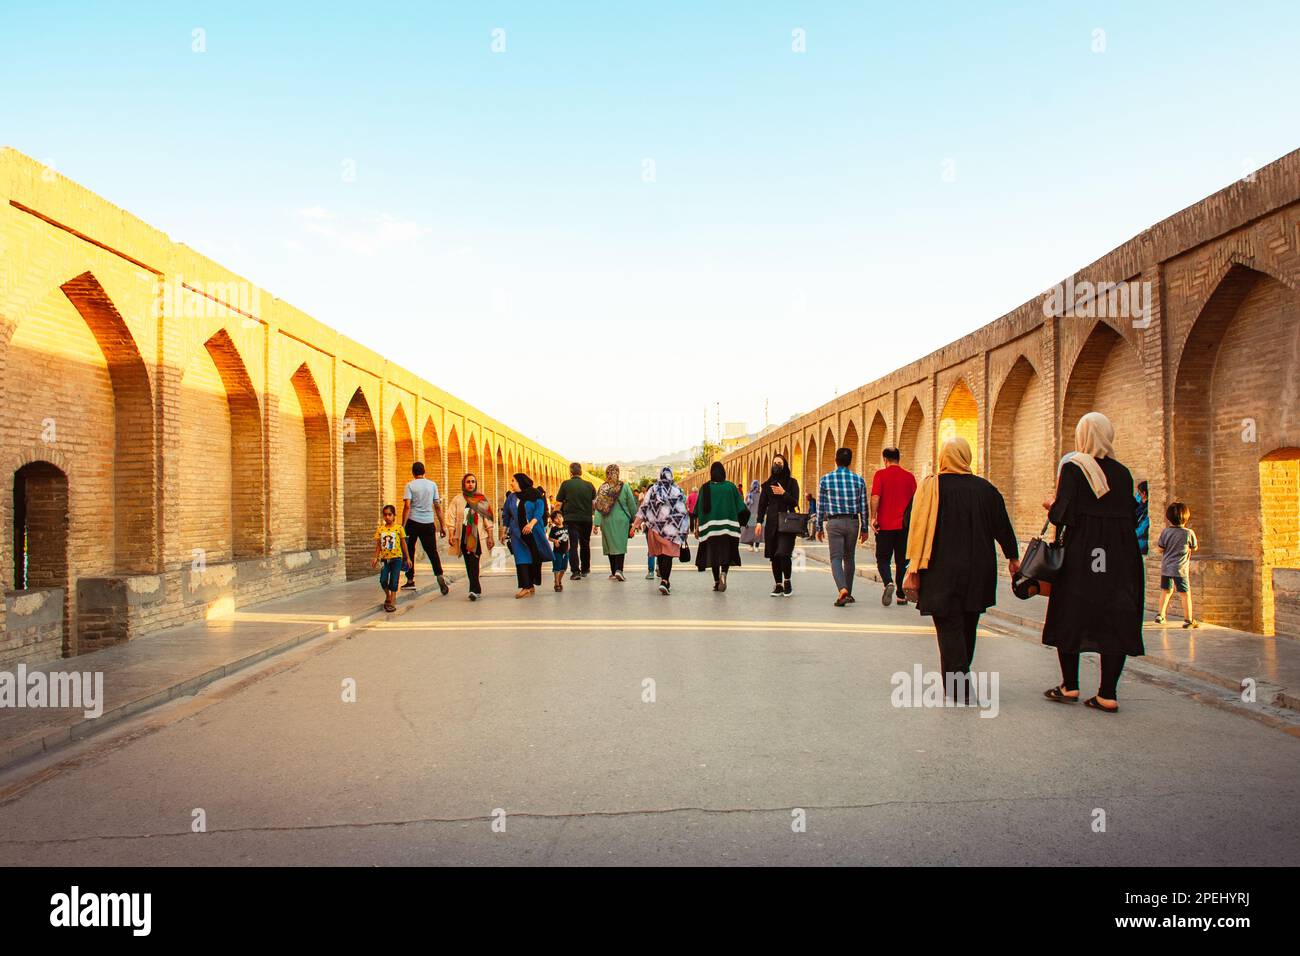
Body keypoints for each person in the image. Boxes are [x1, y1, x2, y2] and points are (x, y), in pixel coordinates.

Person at [1040, 412, 1146, 713]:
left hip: (1083, 553)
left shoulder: (1075, 468)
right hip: (1120, 556)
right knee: (1114, 617)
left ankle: (1070, 686)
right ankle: (1107, 694)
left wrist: (1052, 505)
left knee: (1070, 613)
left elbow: (1062, 514)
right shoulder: (1123, 473)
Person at [903, 437, 1019, 702]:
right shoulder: (986, 490)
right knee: (968, 623)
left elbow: (910, 522)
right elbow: (1002, 527)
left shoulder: (929, 489)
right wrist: (1013, 557)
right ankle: (961, 678)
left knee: (949, 627)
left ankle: (958, 687)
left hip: (940, 570)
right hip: (979, 569)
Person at [815, 447, 870, 607]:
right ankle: (848, 593)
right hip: (853, 522)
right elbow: (864, 506)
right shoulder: (859, 480)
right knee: (849, 557)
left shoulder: (826, 480)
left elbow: (821, 506)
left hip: (834, 522)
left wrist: (818, 526)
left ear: (835, 460)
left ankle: (842, 589)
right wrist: (865, 528)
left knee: (836, 558)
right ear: (850, 461)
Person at [871, 447, 917, 607]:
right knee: (902, 560)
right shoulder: (909, 477)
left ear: (885, 460)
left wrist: (873, 518)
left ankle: (888, 582)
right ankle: (900, 594)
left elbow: (876, 497)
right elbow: (915, 503)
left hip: (885, 525)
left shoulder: (880, 475)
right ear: (899, 458)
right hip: (904, 527)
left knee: (883, 559)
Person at [633, 467, 690, 595]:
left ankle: (664, 581)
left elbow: (644, 507)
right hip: (671, 530)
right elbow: (683, 512)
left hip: (656, 530)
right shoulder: (677, 491)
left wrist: (635, 524)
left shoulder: (653, 490)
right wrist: (684, 531)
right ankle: (665, 580)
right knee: (667, 556)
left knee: (660, 555)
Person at [693, 462, 746, 591]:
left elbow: (698, 510)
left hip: (711, 529)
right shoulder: (730, 487)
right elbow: (741, 506)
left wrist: (697, 527)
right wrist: (742, 522)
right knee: (726, 552)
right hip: (728, 528)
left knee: (714, 554)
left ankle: (717, 581)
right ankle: (724, 574)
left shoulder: (705, 488)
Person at [754, 454, 801, 597]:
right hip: (772, 524)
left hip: (787, 523)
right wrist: (759, 522)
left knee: (784, 553)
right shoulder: (767, 485)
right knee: (774, 555)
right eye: (774, 463)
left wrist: (783, 493)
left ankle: (787, 581)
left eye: (779, 463)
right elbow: (762, 505)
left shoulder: (792, 483)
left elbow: (794, 502)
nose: (776, 465)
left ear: (784, 465)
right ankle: (778, 585)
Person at [401, 461, 449, 595]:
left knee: (409, 550)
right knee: (432, 551)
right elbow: (438, 507)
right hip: (428, 522)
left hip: (413, 521)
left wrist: (403, 525)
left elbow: (407, 506)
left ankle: (410, 579)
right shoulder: (432, 485)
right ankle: (439, 574)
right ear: (424, 472)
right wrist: (443, 525)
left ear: (413, 472)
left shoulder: (410, 485)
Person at [447, 472, 496, 601]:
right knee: (468, 563)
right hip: (463, 535)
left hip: (477, 536)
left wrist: (490, 536)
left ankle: (474, 589)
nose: (470, 484)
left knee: (474, 561)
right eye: (468, 482)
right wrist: (451, 534)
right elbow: (451, 517)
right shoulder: (458, 499)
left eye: (473, 482)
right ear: (464, 484)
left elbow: (487, 519)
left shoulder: (481, 499)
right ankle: (476, 588)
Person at [503, 473, 552, 598]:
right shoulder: (512, 497)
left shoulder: (535, 494)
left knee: (533, 558)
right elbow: (507, 515)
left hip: (533, 532)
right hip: (517, 534)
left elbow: (539, 511)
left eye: (513, 481)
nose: (511, 483)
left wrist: (531, 524)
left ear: (520, 482)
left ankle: (531, 585)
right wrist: (504, 531)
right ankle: (525, 586)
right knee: (521, 559)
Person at [1155, 502, 1199, 628]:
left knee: (1165, 591)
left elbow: (1160, 548)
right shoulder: (1189, 533)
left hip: (1166, 568)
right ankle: (1188, 619)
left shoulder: (1166, 532)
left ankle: (1161, 615)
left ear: (1169, 518)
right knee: (1185, 593)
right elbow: (1194, 547)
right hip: (1181, 569)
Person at [594, 464, 637, 581]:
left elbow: (598, 506)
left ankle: (613, 572)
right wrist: (635, 520)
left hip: (606, 520)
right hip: (622, 521)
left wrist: (596, 523)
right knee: (620, 546)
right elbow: (631, 504)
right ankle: (619, 570)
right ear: (617, 473)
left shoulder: (603, 488)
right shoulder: (625, 487)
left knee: (610, 546)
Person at [555, 462, 596, 580]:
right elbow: (594, 504)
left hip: (570, 520)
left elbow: (559, 503)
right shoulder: (589, 485)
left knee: (573, 545)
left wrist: (554, 518)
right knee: (585, 544)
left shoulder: (566, 484)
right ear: (581, 472)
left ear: (571, 472)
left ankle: (575, 571)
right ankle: (585, 568)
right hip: (586, 519)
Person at [371, 504, 410, 613]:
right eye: (385, 515)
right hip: (384, 560)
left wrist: (408, 558)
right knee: (383, 579)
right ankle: (387, 595)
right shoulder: (380, 529)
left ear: (394, 516)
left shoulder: (399, 528)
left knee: (394, 579)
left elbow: (403, 544)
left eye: (390, 514)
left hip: (397, 558)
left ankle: (392, 601)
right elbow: (378, 545)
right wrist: (375, 557)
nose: (387, 517)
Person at [548, 510, 570, 592]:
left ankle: (559, 579)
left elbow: (568, 537)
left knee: (564, 568)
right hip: (557, 552)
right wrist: (555, 541)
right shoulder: (554, 529)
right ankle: (557, 583)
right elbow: (549, 538)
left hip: (566, 551)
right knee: (557, 567)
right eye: (556, 518)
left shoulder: (566, 527)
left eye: (560, 517)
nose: (559, 519)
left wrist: (569, 545)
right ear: (553, 521)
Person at [740, 479, 761, 552]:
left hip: (750, 515)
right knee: (758, 532)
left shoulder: (749, 495)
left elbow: (746, 505)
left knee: (751, 531)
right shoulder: (760, 495)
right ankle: (757, 547)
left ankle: (751, 546)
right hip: (759, 516)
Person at [1135, 480, 1150, 557]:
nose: (1138, 495)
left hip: (1142, 539)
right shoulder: (1139, 503)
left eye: (1139, 493)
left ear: (1144, 493)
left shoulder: (1148, 509)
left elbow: (1143, 527)